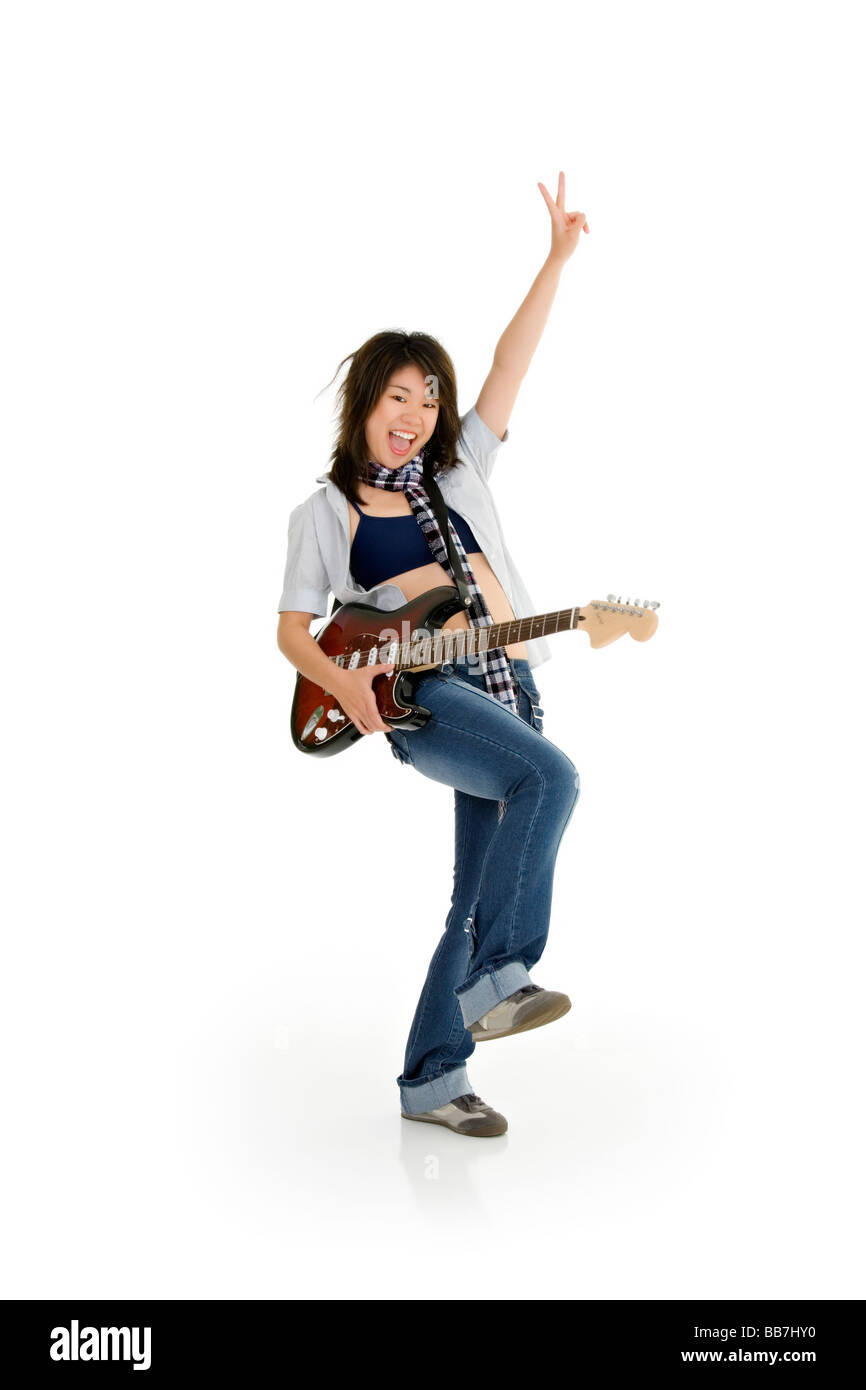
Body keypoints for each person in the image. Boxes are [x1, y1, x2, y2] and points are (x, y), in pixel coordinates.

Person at [277, 174, 589, 1137]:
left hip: (509, 683)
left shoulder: (458, 476)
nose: (415, 410)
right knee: (552, 779)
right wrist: (344, 683)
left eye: (428, 396)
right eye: (397, 395)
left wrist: (556, 259)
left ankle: (431, 1080)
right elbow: (292, 631)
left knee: (472, 893)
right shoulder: (324, 513)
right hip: (424, 694)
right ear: (365, 404)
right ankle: (501, 975)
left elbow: (510, 363)